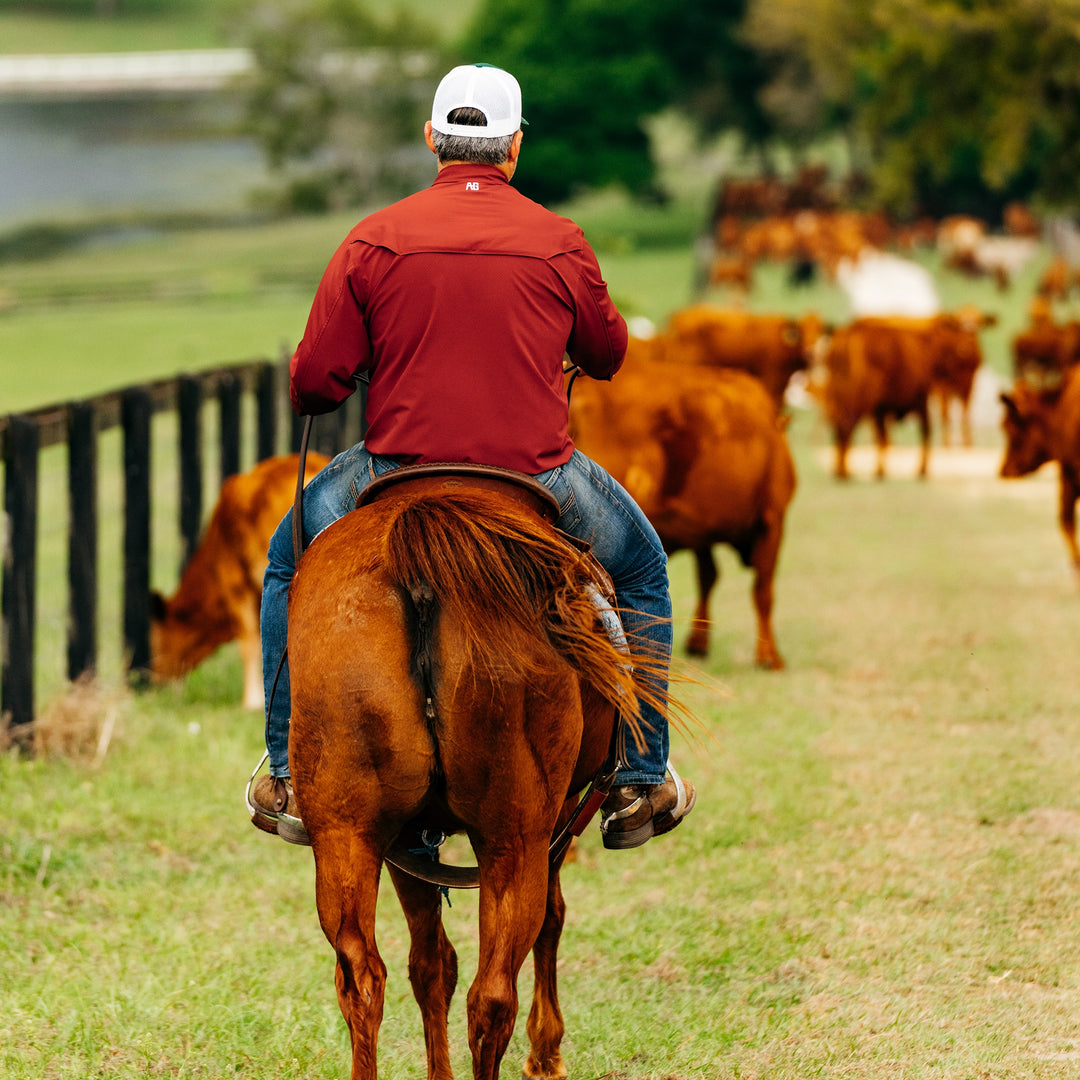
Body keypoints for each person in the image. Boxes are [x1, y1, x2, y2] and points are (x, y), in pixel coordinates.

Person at [248, 63, 695, 850]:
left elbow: (314, 381)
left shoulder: (371, 239)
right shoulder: (560, 240)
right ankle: (640, 774)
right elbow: (608, 352)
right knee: (641, 566)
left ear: (432, 139)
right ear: (515, 146)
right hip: (537, 471)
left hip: (394, 467)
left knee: (288, 563)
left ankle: (285, 770)